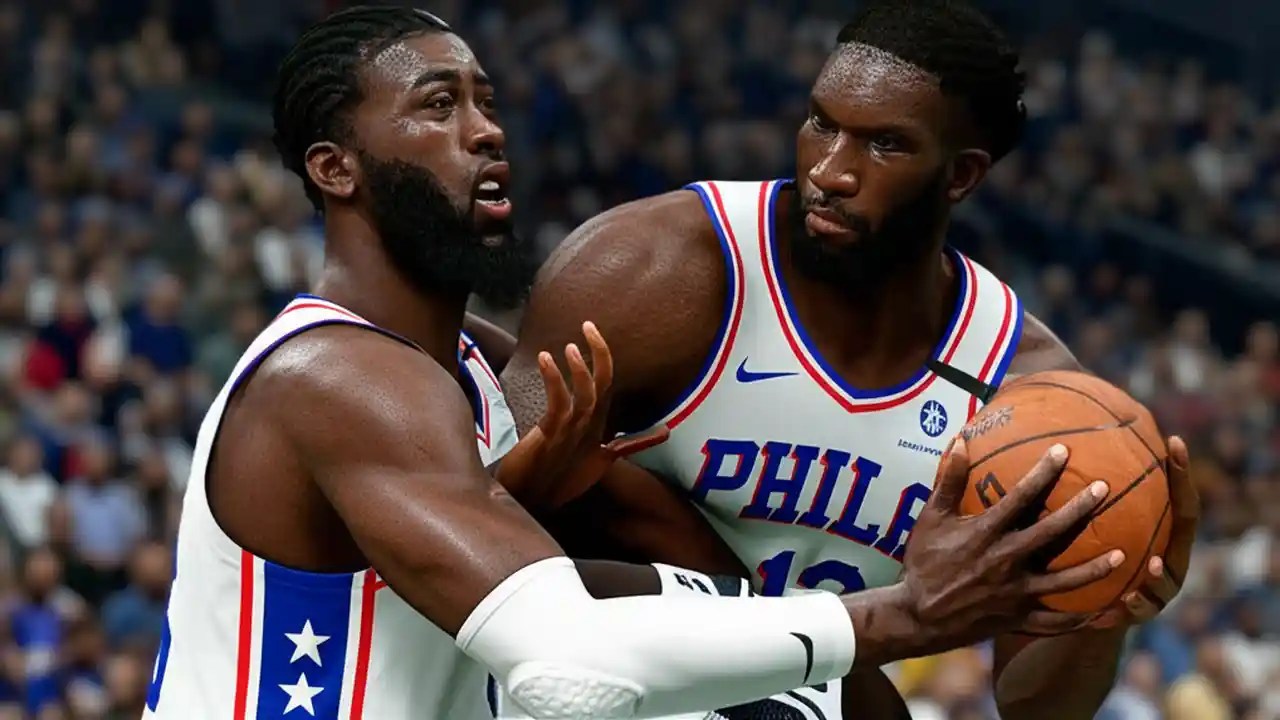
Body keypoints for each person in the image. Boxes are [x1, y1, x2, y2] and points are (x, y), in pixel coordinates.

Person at [146, 6, 1125, 720]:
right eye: (436, 105)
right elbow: (571, 665)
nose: (484, 129)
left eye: (484, 101)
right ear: (333, 169)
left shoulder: (475, 375)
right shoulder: (340, 379)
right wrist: (900, 617)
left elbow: (635, 571)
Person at [503, 1, 1200, 719]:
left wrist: (1109, 608)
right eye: (821, 124)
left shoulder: (1027, 395)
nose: (830, 171)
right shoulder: (652, 270)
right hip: (594, 682)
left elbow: (1035, 708)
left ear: (960, 176)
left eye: (885, 145)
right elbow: (474, 514)